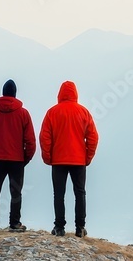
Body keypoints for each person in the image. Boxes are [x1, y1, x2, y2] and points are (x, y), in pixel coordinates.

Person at [40, 80, 99, 238]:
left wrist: (48, 157)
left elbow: (45, 137)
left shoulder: (52, 112)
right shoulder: (83, 112)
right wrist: (88, 157)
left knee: (59, 194)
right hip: (78, 160)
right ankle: (80, 227)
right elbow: (93, 137)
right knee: (80, 193)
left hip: (58, 160)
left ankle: (59, 227)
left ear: (60, 94)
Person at [0, 79, 36, 232]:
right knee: (16, 192)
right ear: (15, 94)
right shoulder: (23, 114)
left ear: (3, 93)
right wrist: (26, 158)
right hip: (17, 160)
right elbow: (30, 140)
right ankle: (15, 223)